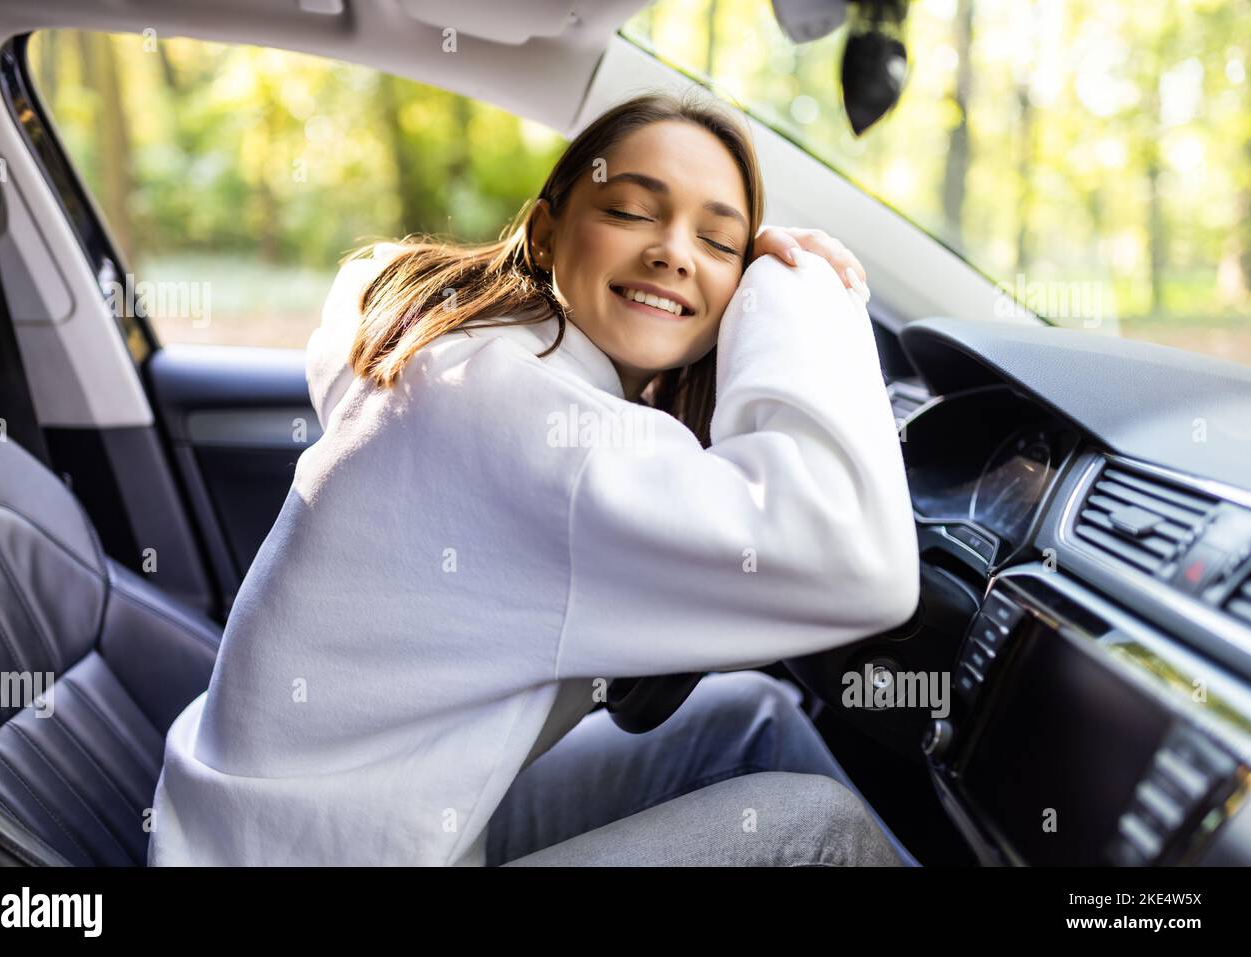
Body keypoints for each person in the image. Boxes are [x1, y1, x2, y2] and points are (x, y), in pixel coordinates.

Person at [148, 89, 920, 867]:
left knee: (750, 716)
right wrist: (796, 294)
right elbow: (869, 571)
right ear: (546, 233)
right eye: (631, 211)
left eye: (719, 242)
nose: (675, 253)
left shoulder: (442, 333)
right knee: (816, 832)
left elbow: (359, 286)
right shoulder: (556, 437)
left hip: (258, 832)